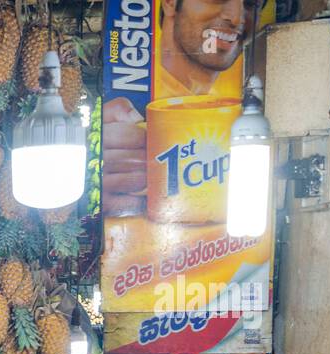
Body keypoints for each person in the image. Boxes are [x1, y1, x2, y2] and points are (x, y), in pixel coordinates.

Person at [101, 0, 259, 216]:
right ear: (170, 3)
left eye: (250, 3)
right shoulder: (128, 108)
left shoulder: (239, 111)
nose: (237, 17)